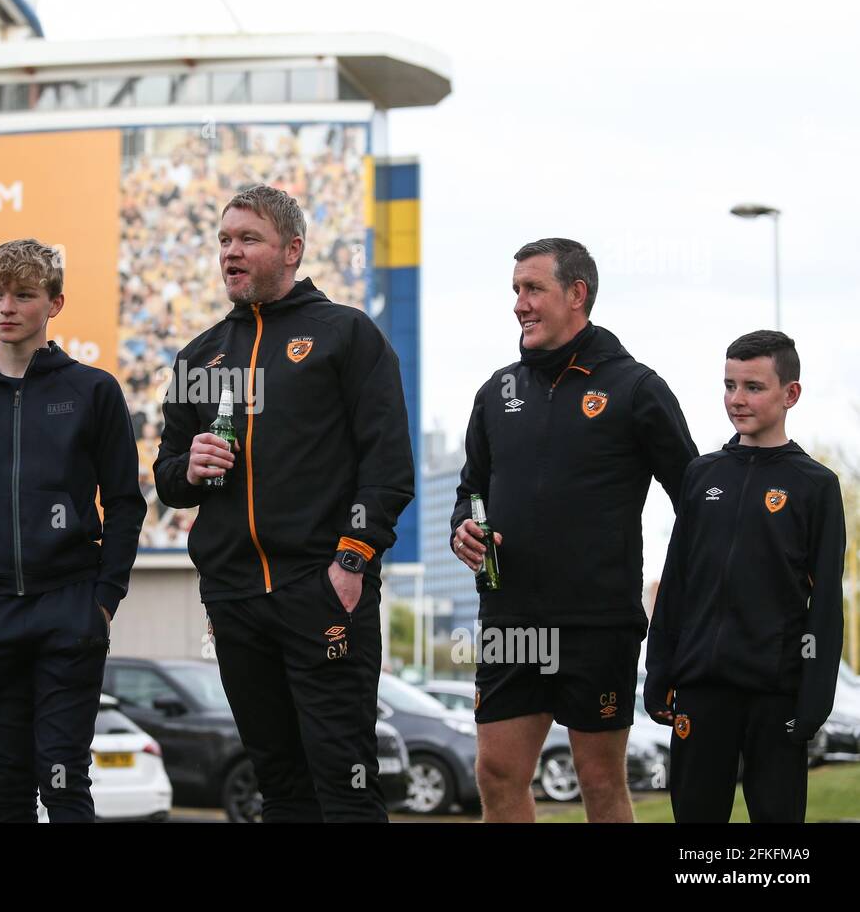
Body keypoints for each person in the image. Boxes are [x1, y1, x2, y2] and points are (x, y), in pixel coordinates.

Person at [154, 184, 414, 822]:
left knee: (345, 783)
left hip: (321, 588)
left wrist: (351, 562)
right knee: (280, 787)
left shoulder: (346, 334)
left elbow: (388, 466)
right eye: (224, 240)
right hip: (235, 598)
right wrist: (189, 466)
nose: (231, 253)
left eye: (248, 239)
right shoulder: (199, 354)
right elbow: (166, 478)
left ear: (292, 249)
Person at [451, 237, 696, 822]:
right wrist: (464, 527)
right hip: (510, 619)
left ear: (576, 294)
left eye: (533, 288)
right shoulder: (496, 391)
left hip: (597, 623)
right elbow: (471, 490)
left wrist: (684, 593)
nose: (519, 303)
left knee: (600, 779)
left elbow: (696, 497)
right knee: (498, 773)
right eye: (515, 290)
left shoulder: (635, 386)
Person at [0, 238, 144, 823]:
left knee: (64, 779)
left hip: (70, 607)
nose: (7, 307)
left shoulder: (93, 391)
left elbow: (125, 503)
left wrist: (103, 601)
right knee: (7, 784)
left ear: (55, 303)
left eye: (24, 294)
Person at [644, 330, 845, 822]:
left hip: (774, 696)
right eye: (729, 385)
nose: (737, 399)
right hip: (701, 690)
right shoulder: (702, 475)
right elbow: (677, 582)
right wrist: (659, 672)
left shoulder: (816, 485)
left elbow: (824, 607)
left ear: (790, 393)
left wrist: (814, 699)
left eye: (753, 387)